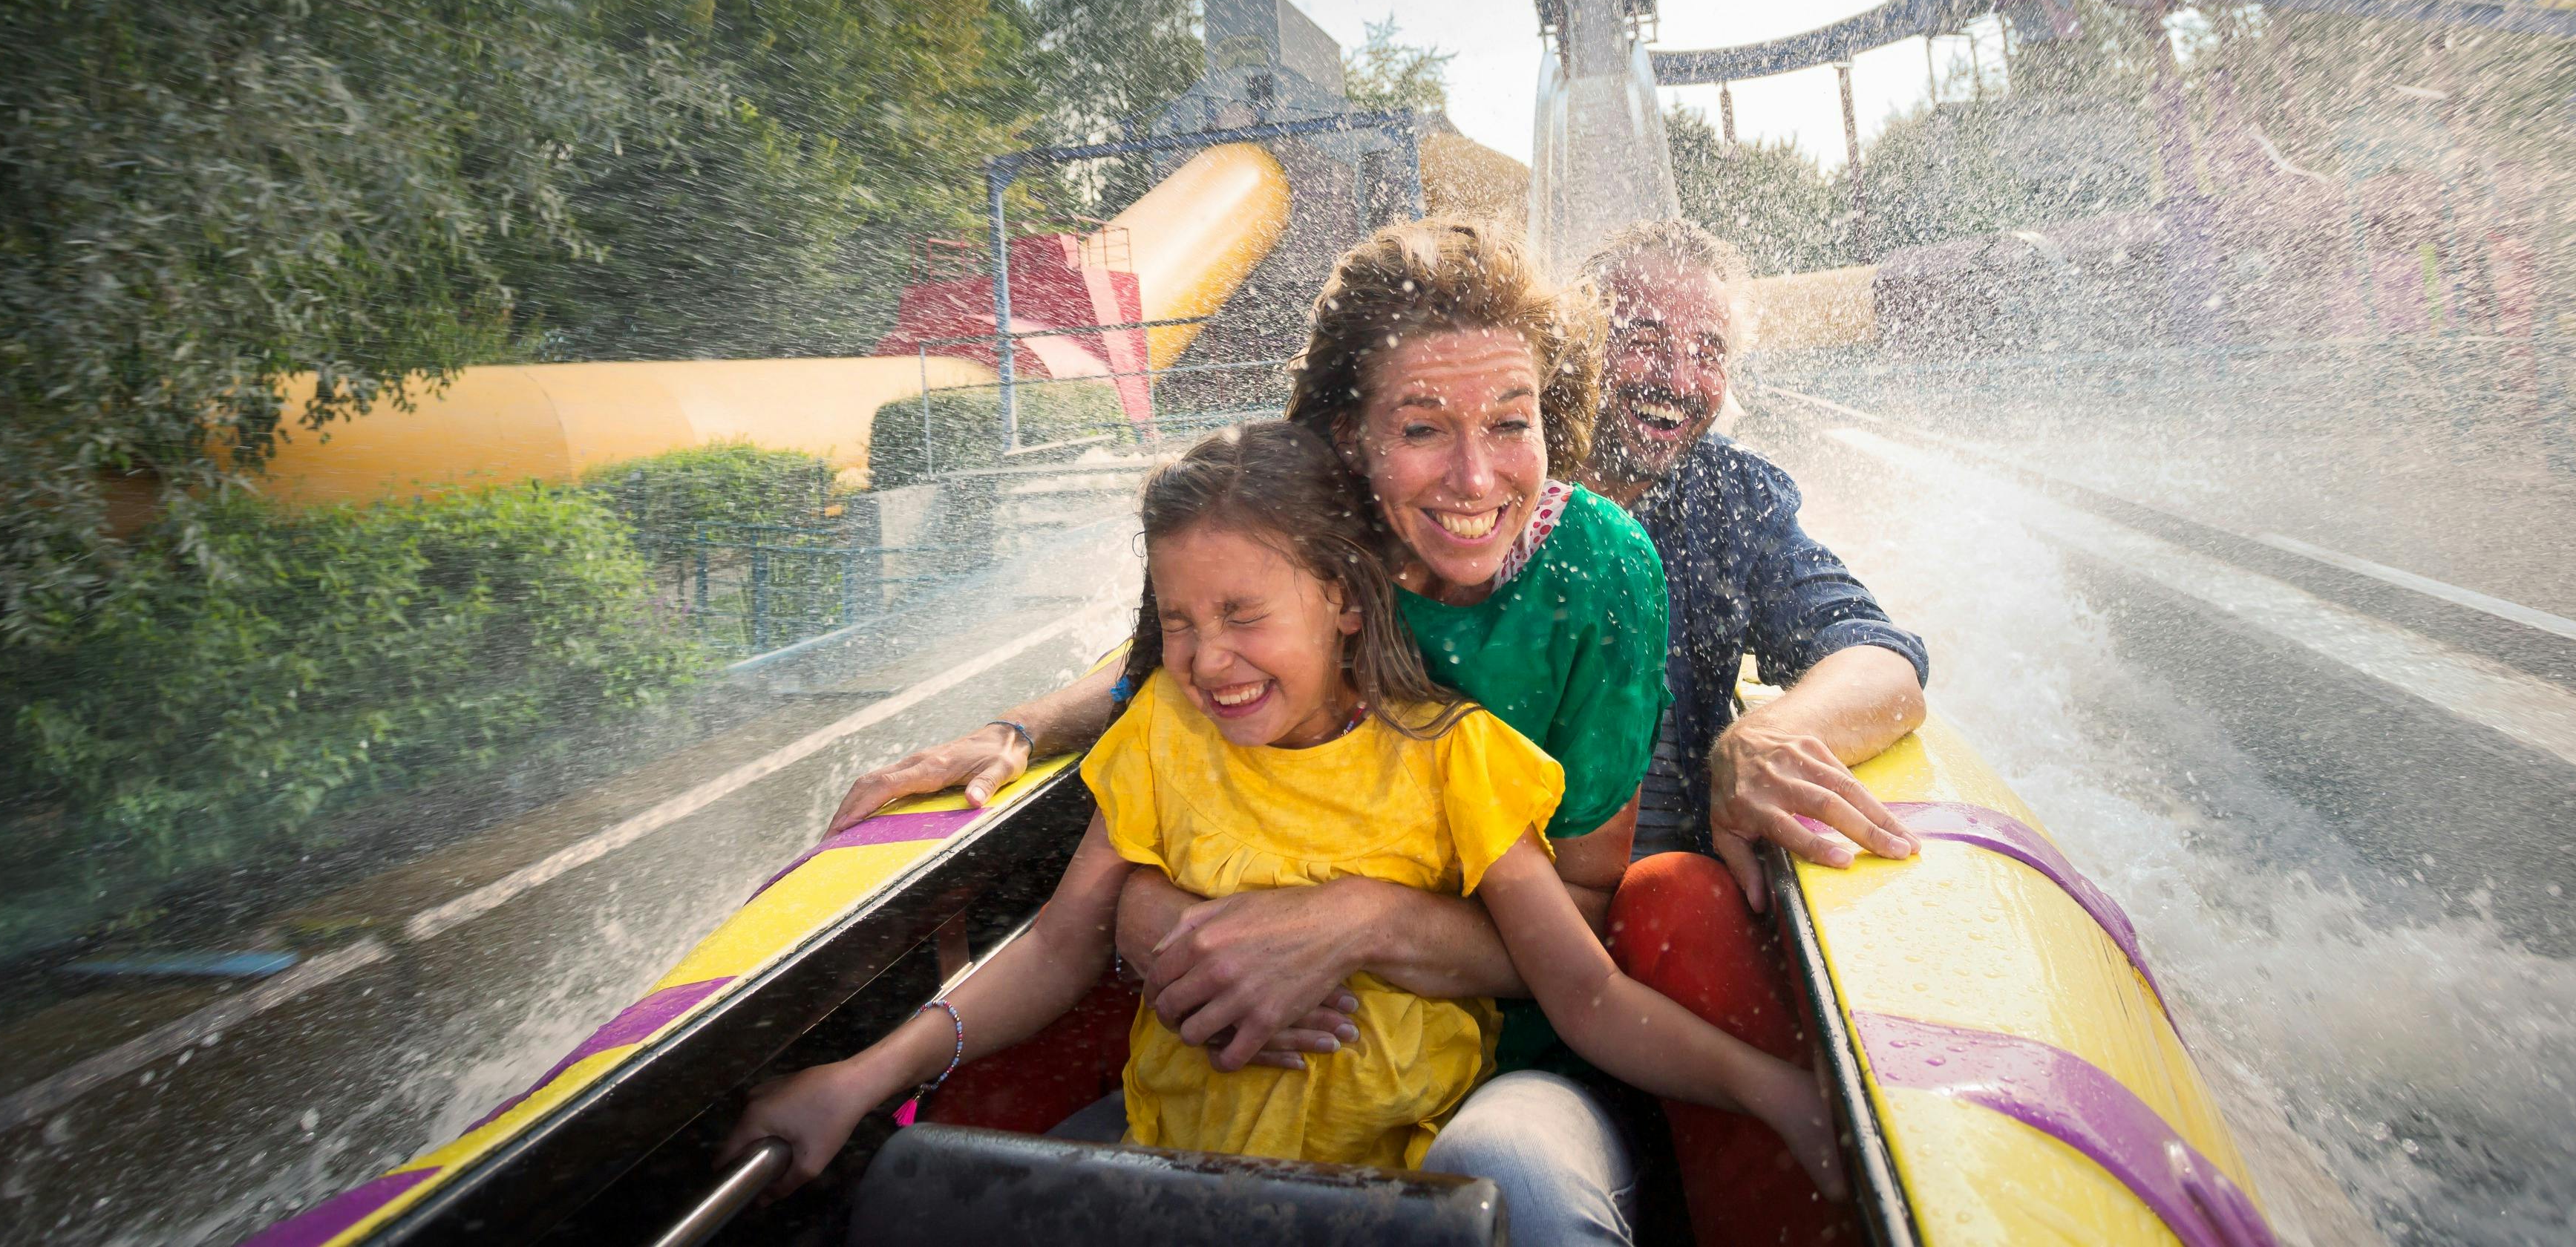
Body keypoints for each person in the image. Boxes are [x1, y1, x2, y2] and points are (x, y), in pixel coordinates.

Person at [828, 220, 1678, 1243]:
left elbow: (1581, 918)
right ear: (1346, 437)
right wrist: (1024, 729)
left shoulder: (1602, 573)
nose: (1473, 477)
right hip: (1247, 1073)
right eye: (1420, 428)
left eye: (1511, 421)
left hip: (1512, 1061)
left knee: (1505, 1183)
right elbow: (1181, 669)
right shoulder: (1307, 538)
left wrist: (1359, 923)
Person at [722, 423, 1837, 1198]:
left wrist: (1776, 1089)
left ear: (1345, 598)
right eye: (1179, 620)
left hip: (1402, 1179)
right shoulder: (1166, 727)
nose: (1208, 659)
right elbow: (1062, 941)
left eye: (1243, 614)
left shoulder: (1454, 761)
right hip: (1184, 1166)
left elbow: (1583, 988)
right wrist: (864, 1076)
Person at [1576, 219, 1930, 1245]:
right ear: (1576, 339)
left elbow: (1880, 653)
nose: (1677, 377)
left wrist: (1761, 737)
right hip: (1508, 908)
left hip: (1648, 945)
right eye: (1643, 336)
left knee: (1675, 900)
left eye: (1709, 351)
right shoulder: (1498, 472)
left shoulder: (1723, 499)